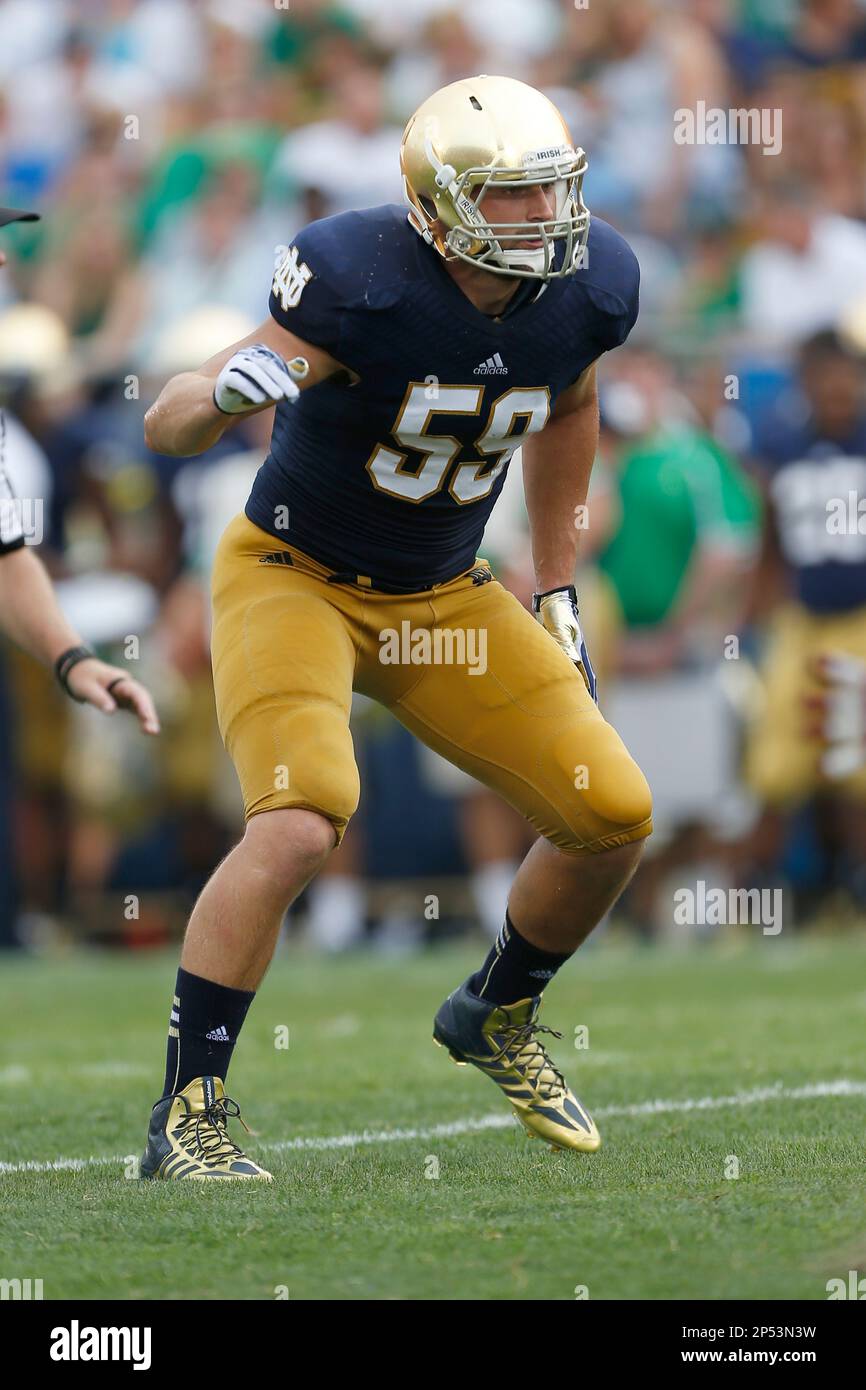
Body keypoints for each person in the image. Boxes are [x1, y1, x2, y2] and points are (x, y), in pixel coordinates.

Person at [142, 76, 653, 1180]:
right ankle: (187, 1105)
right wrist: (223, 392)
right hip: (295, 573)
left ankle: (495, 1012)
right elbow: (168, 419)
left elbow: (566, 406)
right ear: (441, 205)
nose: (546, 216)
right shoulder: (354, 278)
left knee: (612, 813)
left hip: (443, 588)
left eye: (550, 187)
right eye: (513, 197)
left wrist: (554, 584)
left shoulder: (591, 284)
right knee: (298, 820)